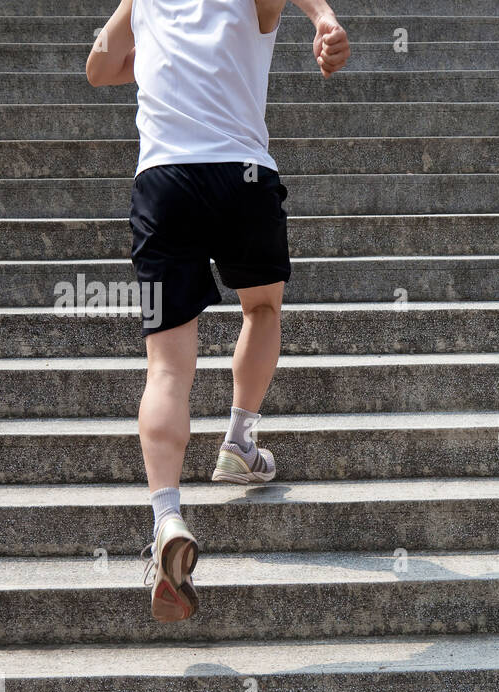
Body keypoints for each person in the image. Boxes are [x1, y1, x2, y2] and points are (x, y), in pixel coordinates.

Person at [86, 0, 350, 620]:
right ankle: (238, 440)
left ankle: (167, 517)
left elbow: (99, 68)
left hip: (163, 185)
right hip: (243, 179)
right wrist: (324, 20)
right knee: (261, 308)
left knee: (168, 369)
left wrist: (154, 55)